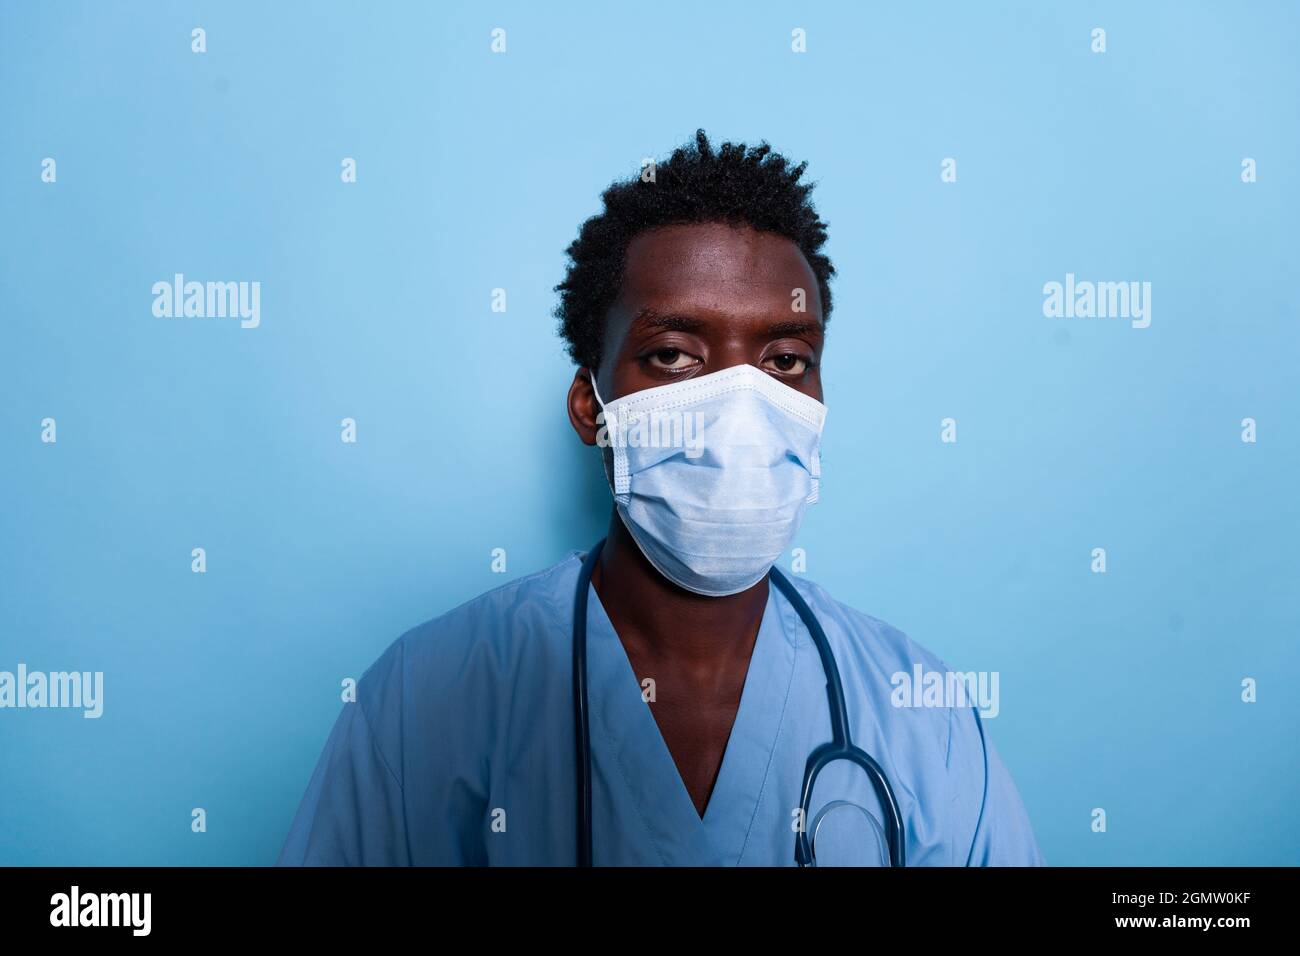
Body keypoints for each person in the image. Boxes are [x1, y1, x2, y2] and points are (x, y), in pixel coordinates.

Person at [277, 130, 1045, 866]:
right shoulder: (428, 698)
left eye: (785, 359)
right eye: (674, 355)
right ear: (591, 406)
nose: (741, 406)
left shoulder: (919, 714)